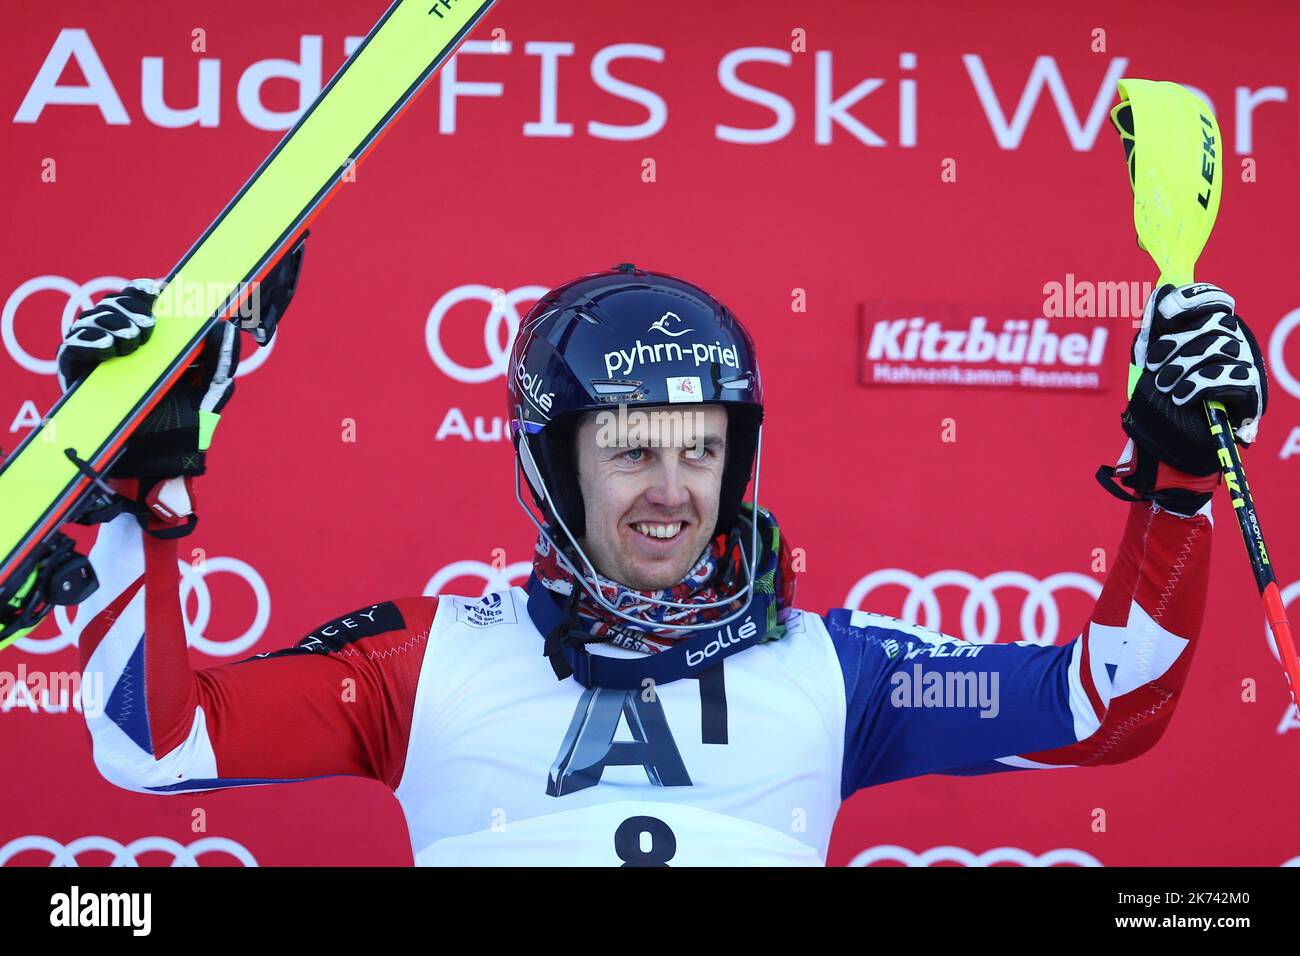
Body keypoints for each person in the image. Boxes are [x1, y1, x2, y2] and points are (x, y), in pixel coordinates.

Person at [71, 260, 1268, 865]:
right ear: (551, 459)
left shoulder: (840, 669)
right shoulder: (422, 656)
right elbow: (150, 743)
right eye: (630, 446)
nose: (671, 488)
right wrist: (141, 500)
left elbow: (1106, 706)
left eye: (701, 448)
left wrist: (1173, 483)